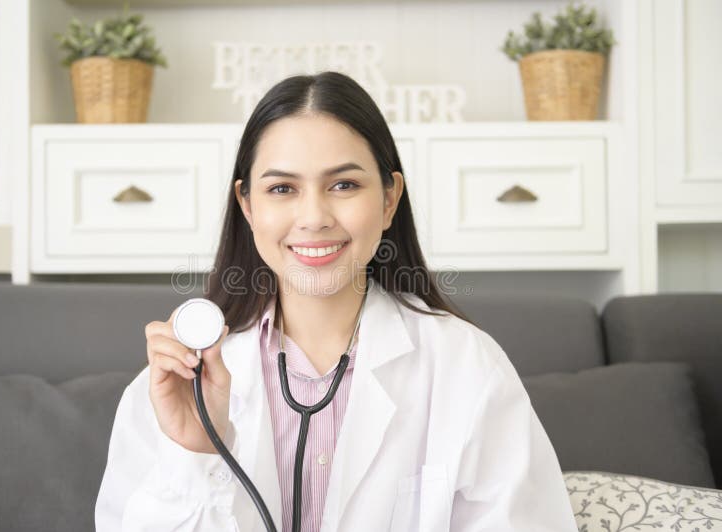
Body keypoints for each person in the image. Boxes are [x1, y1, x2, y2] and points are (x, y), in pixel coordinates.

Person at [95, 71, 578, 531]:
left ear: (390, 200)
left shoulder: (467, 366)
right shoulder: (175, 384)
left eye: (344, 185)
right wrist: (194, 453)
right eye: (282, 188)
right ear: (247, 205)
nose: (313, 216)